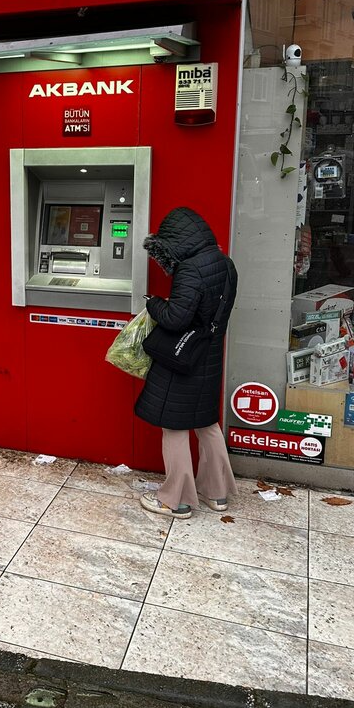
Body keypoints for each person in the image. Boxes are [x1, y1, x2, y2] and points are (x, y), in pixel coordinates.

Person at [135, 206, 238, 519]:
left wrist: (154, 304)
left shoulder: (191, 269)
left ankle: (175, 500)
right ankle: (216, 493)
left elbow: (175, 318)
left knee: (174, 426)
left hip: (182, 359)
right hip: (209, 356)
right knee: (206, 424)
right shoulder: (226, 264)